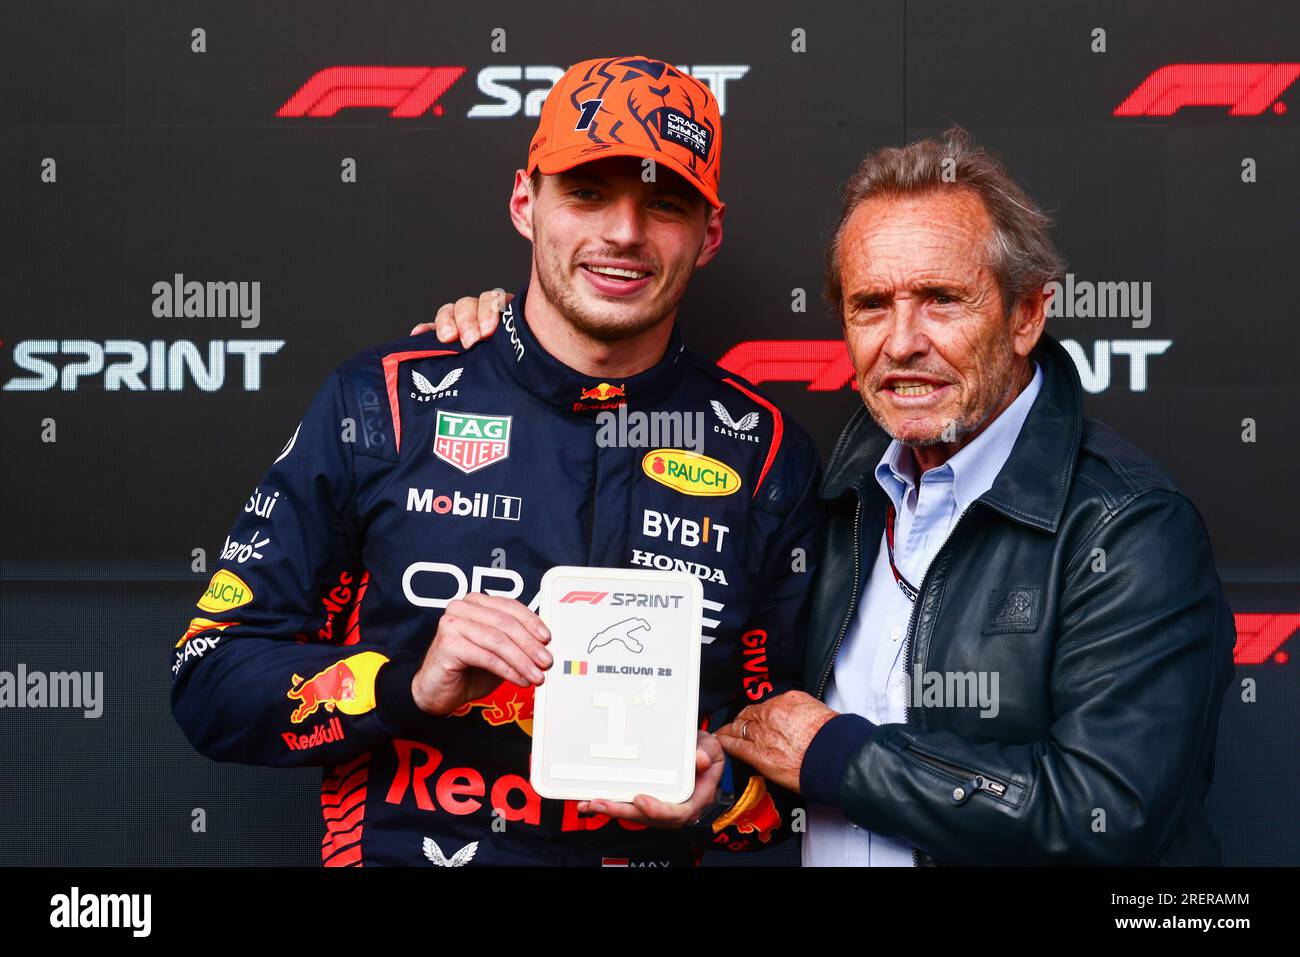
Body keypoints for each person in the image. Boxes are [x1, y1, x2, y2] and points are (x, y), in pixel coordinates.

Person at [170, 54, 823, 866]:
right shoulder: (384, 404)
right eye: (588, 193)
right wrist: (409, 681)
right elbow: (209, 679)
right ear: (526, 203)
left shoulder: (763, 452)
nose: (623, 232)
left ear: (709, 234)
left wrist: (722, 793)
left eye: (663, 204)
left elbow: (793, 750)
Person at [708, 126, 1237, 865]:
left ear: (1026, 316)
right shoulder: (835, 497)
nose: (901, 342)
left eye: (940, 300)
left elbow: (1105, 811)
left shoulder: (1129, 526)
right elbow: (772, 719)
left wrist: (840, 757)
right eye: (870, 305)